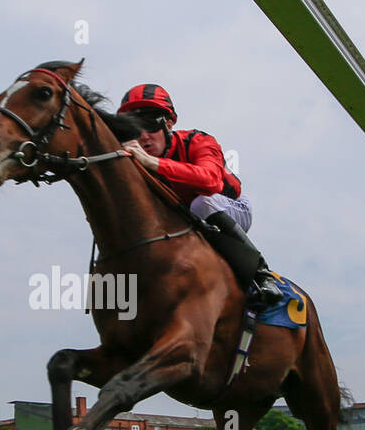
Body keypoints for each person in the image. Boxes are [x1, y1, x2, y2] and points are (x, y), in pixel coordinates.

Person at [116, 83, 282, 308]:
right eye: (134, 129)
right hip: (186, 222)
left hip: (229, 208)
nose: (143, 137)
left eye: (149, 124)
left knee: (201, 203)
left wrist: (152, 163)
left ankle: (262, 275)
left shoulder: (198, 140)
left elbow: (210, 181)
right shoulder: (133, 160)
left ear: (169, 123)